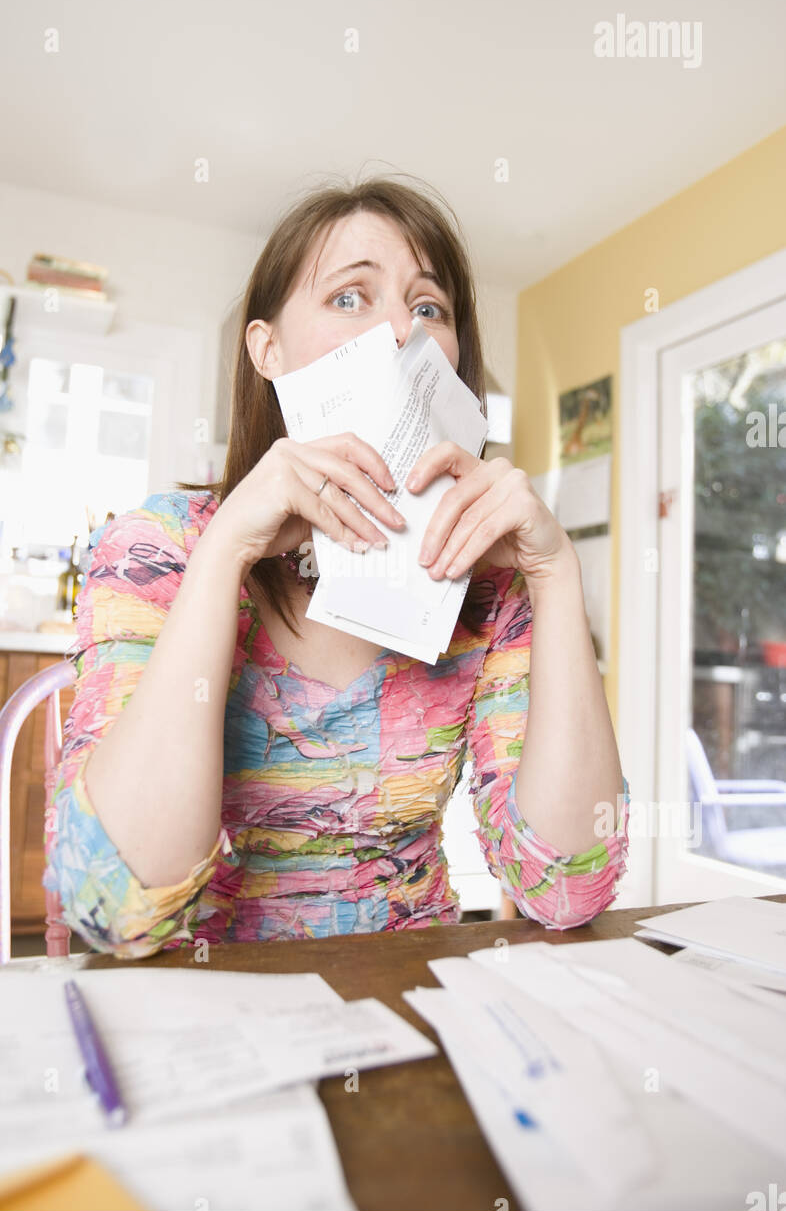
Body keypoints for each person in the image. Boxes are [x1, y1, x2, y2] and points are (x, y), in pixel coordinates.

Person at [44, 174, 629, 958]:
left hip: (414, 1001)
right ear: (268, 349)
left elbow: (566, 892)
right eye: (350, 297)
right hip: (198, 1003)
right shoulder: (159, 548)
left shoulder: (492, 585)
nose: (399, 332)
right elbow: (115, 912)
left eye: (428, 308)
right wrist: (225, 556)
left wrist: (555, 576)